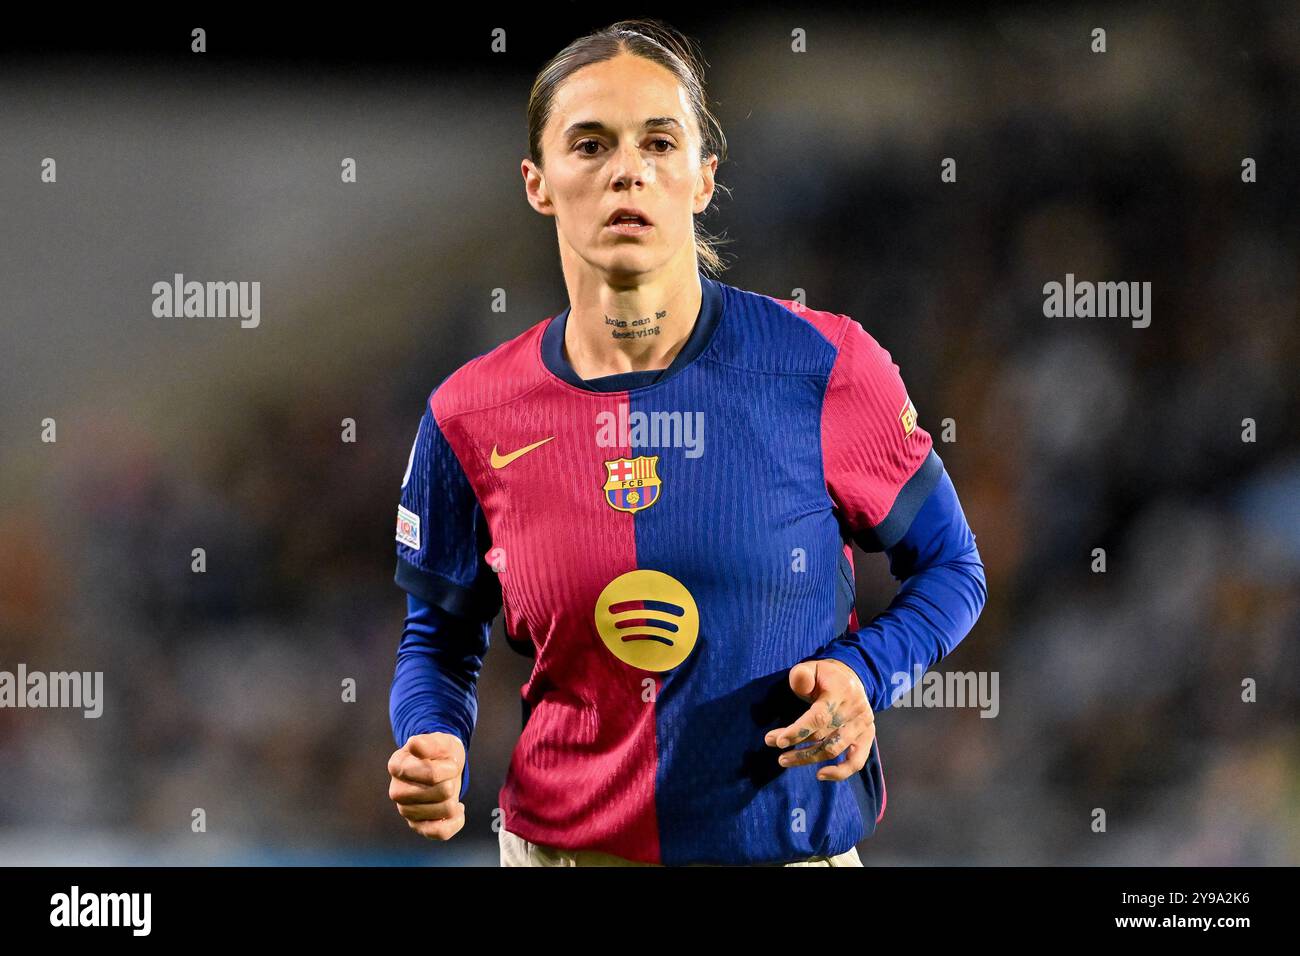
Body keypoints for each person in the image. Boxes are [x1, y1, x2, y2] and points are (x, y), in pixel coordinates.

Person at [386, 18, 987, 867]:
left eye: (659, 142)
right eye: (589, 144)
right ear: (538, 182)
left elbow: (954, 570)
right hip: (560, 856)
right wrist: (432, 739)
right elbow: (438, 638)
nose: (627, 169)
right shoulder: (469, 415)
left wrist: (866, 672)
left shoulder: (823, 366)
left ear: (704, 178)